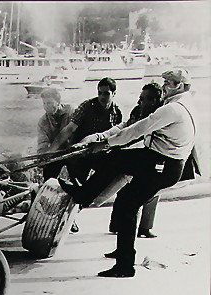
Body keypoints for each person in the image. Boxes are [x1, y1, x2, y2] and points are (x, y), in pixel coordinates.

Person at [59, 69, 197, 278]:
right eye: (165, 81)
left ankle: (124, 265)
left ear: (181, 86)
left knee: (117, 169)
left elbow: (137, 130)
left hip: (163, 164)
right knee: (125, 200)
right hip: (162, 161)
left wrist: (104, 144)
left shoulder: (172, 109)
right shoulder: (181, 104)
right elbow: (129, 127)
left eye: (170, 82)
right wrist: (100, 139)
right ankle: (123, 254)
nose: (165, 85)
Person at [106, 82, 164, 239]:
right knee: (128, 193)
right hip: (134, 154)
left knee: (146, 193)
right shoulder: (138, 110)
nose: (139, 101)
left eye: (144, 98)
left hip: (148, 157)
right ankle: (118, 225)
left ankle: (143, 227)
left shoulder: (161, 114)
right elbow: (129, 130)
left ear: (155, 100)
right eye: (140, 97)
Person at [48, 77, 123, 183]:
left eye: (106, 94)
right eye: (99, 93)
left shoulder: (117, 113)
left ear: (114, 94)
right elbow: (69, 129)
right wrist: (51, 151)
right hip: (78, 151)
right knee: (71, 179)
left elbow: (115, 138)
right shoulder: (87, 106)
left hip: (97, 152)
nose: (102, 97)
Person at [36, 87, 74, 180]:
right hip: (55, 152)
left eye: (49, 103)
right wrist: (42, 157)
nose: (46, 106)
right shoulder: (43, 121)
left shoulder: (71, 111)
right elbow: (42, 142)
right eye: (44, 103)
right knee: (48, 176)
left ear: (58, 102)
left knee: (77, 177)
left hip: (73, 150)